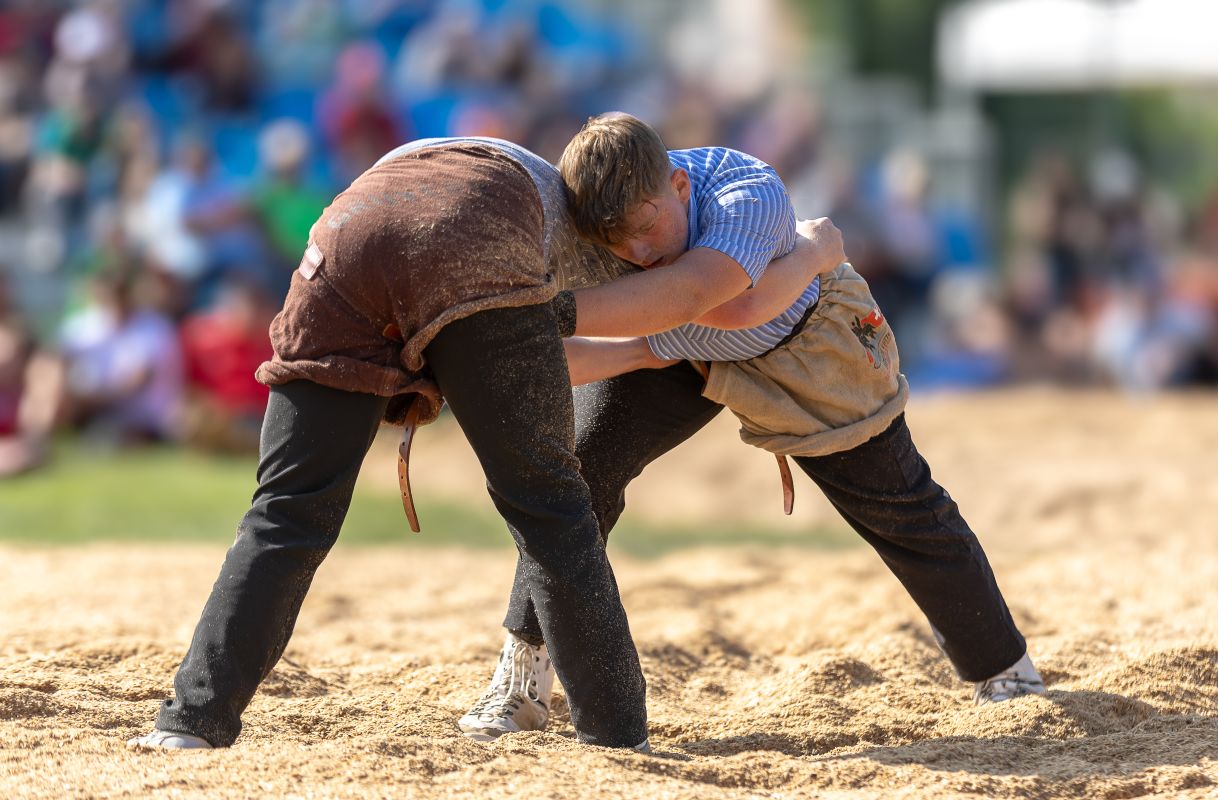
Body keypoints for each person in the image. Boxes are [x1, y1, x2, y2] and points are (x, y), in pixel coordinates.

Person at [127, 136, 842, 752]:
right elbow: (696, 299)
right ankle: (616, 731)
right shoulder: (577, 232)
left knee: (284, 510)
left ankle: (191, 719)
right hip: (478, 229)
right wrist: (800, 261)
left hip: (344, 232)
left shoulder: (470, 170)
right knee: (551, 509)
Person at [457, 113, 1044, 742]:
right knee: (581, 469)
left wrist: (551, 316)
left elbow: (730, 306)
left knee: (900, 503)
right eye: (617, 243)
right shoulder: (596, 229)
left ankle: (1006, 670)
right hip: (674, 349)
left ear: (680, 186)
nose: (636, 252)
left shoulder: (747, 188)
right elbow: (561, 362)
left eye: (646, 227)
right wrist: (564, 344)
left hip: (801, 342)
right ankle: (522, 678)